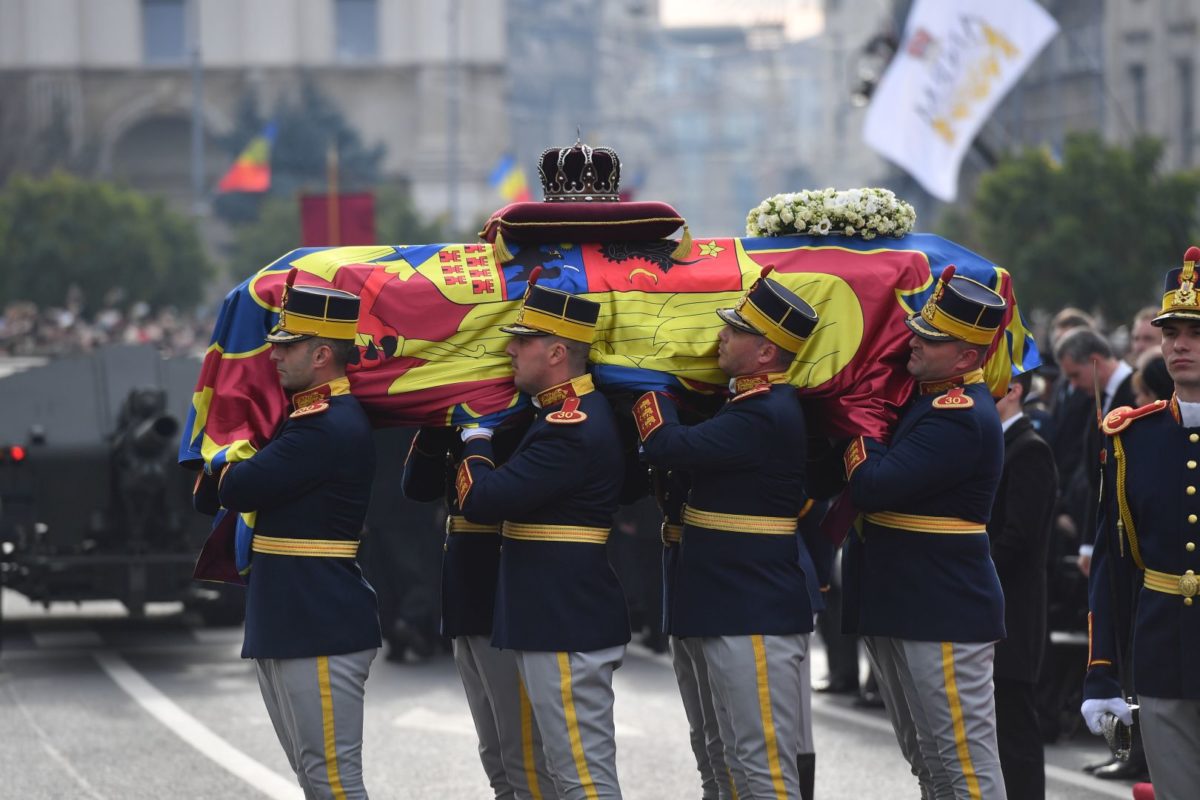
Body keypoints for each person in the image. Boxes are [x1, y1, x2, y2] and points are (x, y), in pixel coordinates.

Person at [635, 266, 820, 800]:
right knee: (720, 758)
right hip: (724, 601)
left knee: (759, 768)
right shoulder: (745, 403)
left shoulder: (764, 412)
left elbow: (668, 446)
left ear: (766, 351)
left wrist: (646, 388)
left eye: (735, 330)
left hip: (752, 608)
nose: (721, 335)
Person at [457, 267, 629, 799]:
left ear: (557, 353)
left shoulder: (570, 426)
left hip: (564, 620)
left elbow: (484, 501)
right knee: (560, 774)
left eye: (523, 341)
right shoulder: (551, 418)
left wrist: (476, 441)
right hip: (550, 616)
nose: (510, 350)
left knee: (582, 779)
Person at [842, 265, 1009, 800]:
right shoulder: (928, 399)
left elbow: (872, 486)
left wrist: (860, 425)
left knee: (963, 765)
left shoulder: (957, 413)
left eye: (931, 339)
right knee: (929, 760)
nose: (913, 341)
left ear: (965, 357)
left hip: (942, 607)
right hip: (907, 599)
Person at [214, 278, 379, 799]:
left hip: (319, 623)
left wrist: (226, 456)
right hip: (294, 619)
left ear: (322, 354)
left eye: (287, 347)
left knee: (334, 784)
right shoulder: (308, 418)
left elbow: (239, 487)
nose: (275, 356)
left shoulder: (326, 425)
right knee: (315, 780)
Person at [1082, 254, 1200, 800]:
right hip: (1161, 654)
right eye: (1171, 333)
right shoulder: (1131, 438)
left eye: (1196, 333)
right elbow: (1114, 563)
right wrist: (1102, 670)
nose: (1180, 345)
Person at [401, 418, 556, 800]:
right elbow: (417, 486)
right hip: (465, 590)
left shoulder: (528, 417)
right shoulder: (463, 418)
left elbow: (491, 500)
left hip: (503, 590)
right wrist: (438, 424)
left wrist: (479, 435)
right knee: (495, 753)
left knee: (524, 754)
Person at [988, 370, 1057, 799]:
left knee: (1015, 728)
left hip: (1013, 606)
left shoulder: (1029, 449)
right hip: (992, 604)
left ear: (1013, 391)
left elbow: (1019, 536)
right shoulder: (997, 444)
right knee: (994, 727)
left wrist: (971, 572)